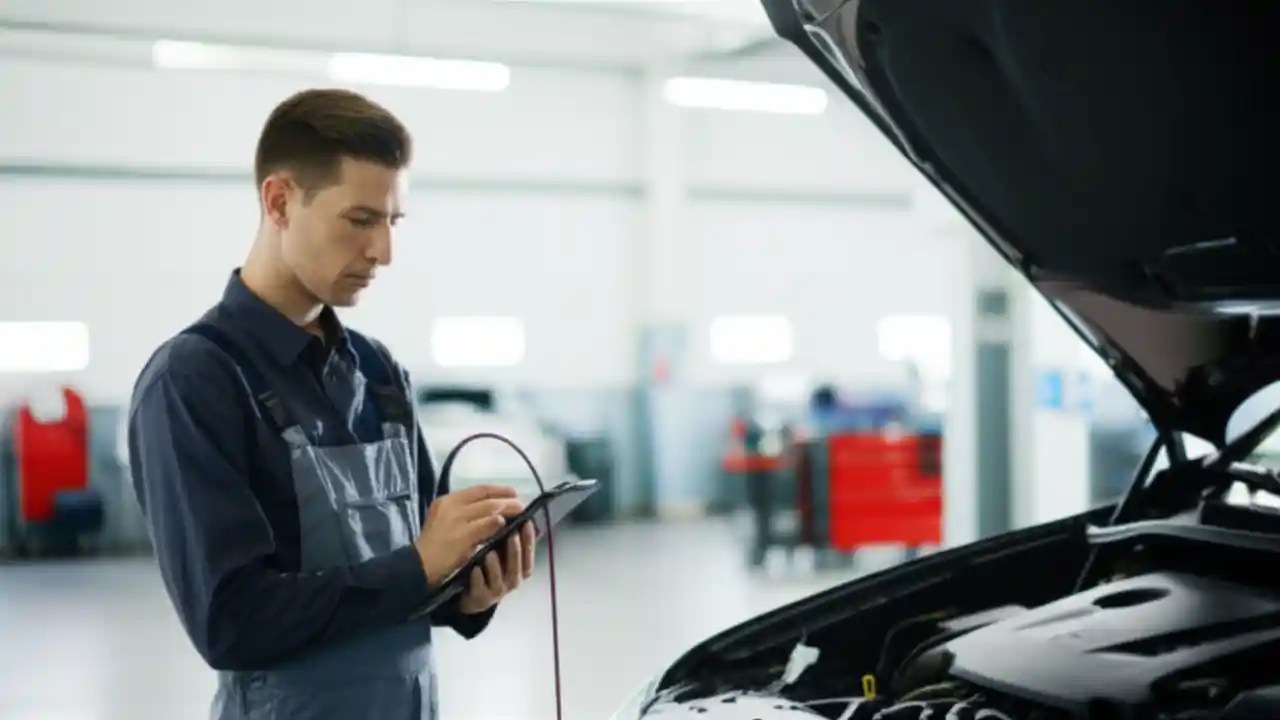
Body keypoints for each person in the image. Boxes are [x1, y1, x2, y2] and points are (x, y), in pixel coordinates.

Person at [126, 88, 536, 719]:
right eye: (361, 220)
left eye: (392, 222)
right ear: (279, 201)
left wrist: (470, 588)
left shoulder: (378, 372)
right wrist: (419, 567)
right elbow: (230, 621)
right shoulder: (194, 380)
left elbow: (421, 567)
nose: (383, 252)